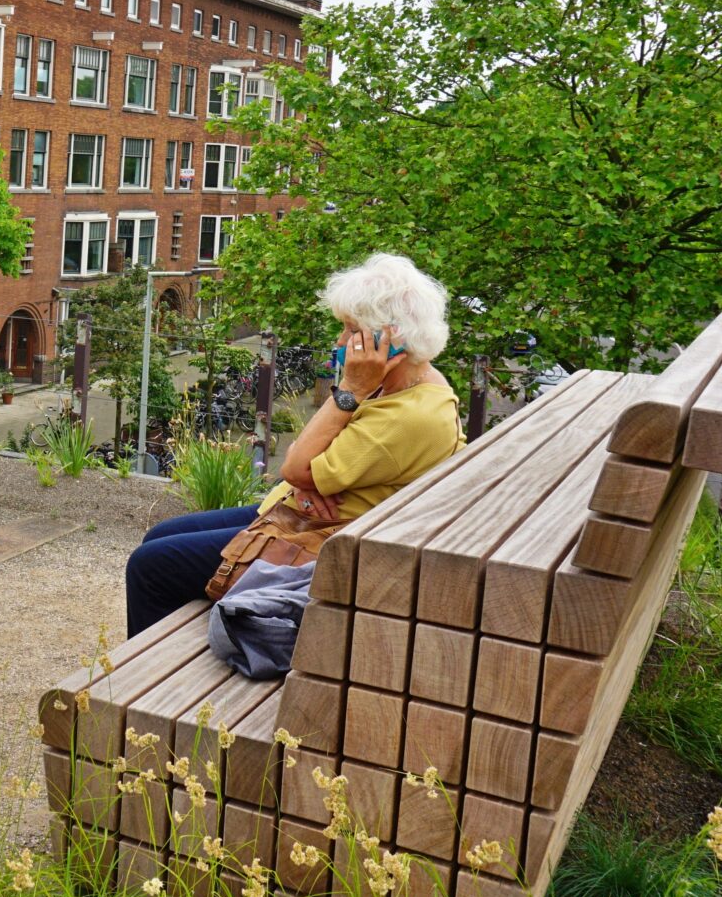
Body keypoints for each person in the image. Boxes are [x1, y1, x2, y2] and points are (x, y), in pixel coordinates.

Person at [124, 253, 467, 637]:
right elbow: (309, 467)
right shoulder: (414, 382)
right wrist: (306, 483)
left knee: (149, 566)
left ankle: (140, 683)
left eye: (350, 330)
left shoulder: (407, 414)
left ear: (388, 339)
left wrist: (351, 389)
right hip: (305, 513)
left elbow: (296, 465)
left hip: (328, 543)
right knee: (160, 536)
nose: (340, 342)